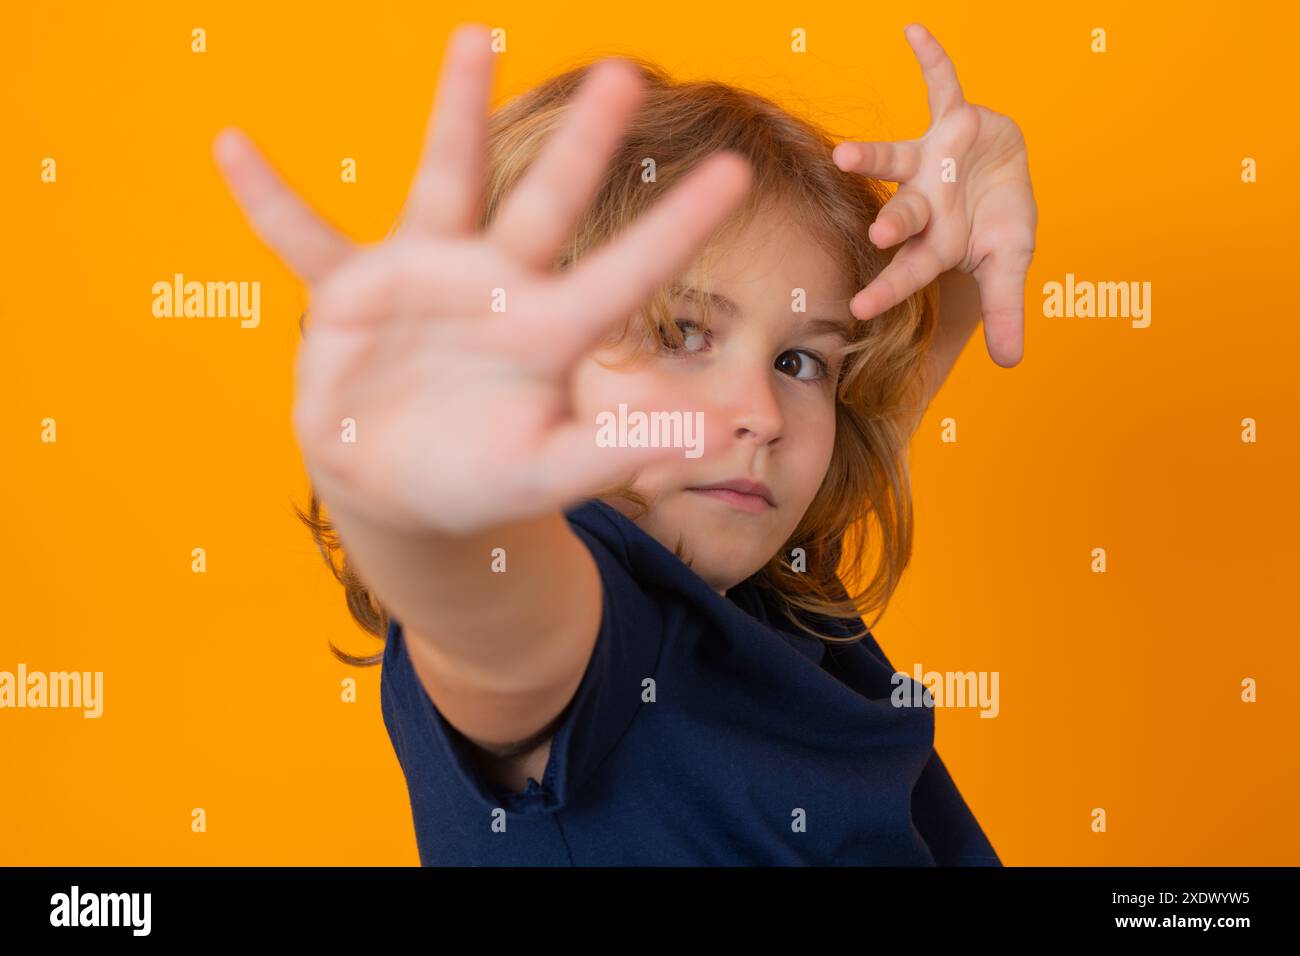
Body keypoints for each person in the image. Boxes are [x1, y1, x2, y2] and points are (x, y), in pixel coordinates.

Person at [212, 20, 1037, 865]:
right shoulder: (583, 607)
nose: (761, 411)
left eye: (799, 360)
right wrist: (435, 498)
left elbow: (868, 418)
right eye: (682, 334)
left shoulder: (768, 580)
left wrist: (967, 255)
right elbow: (495, 621)